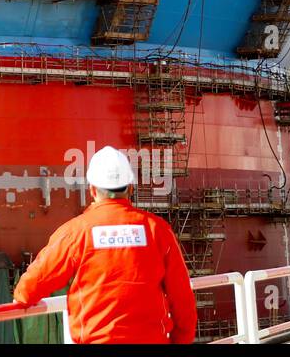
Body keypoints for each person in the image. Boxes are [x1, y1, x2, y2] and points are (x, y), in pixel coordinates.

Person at [13, 146, 197, 344]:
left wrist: (22, 295)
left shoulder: (76, 232)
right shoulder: (158, 230)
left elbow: (34, 283)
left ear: (92, 190)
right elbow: (183, 300)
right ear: (131, 189)